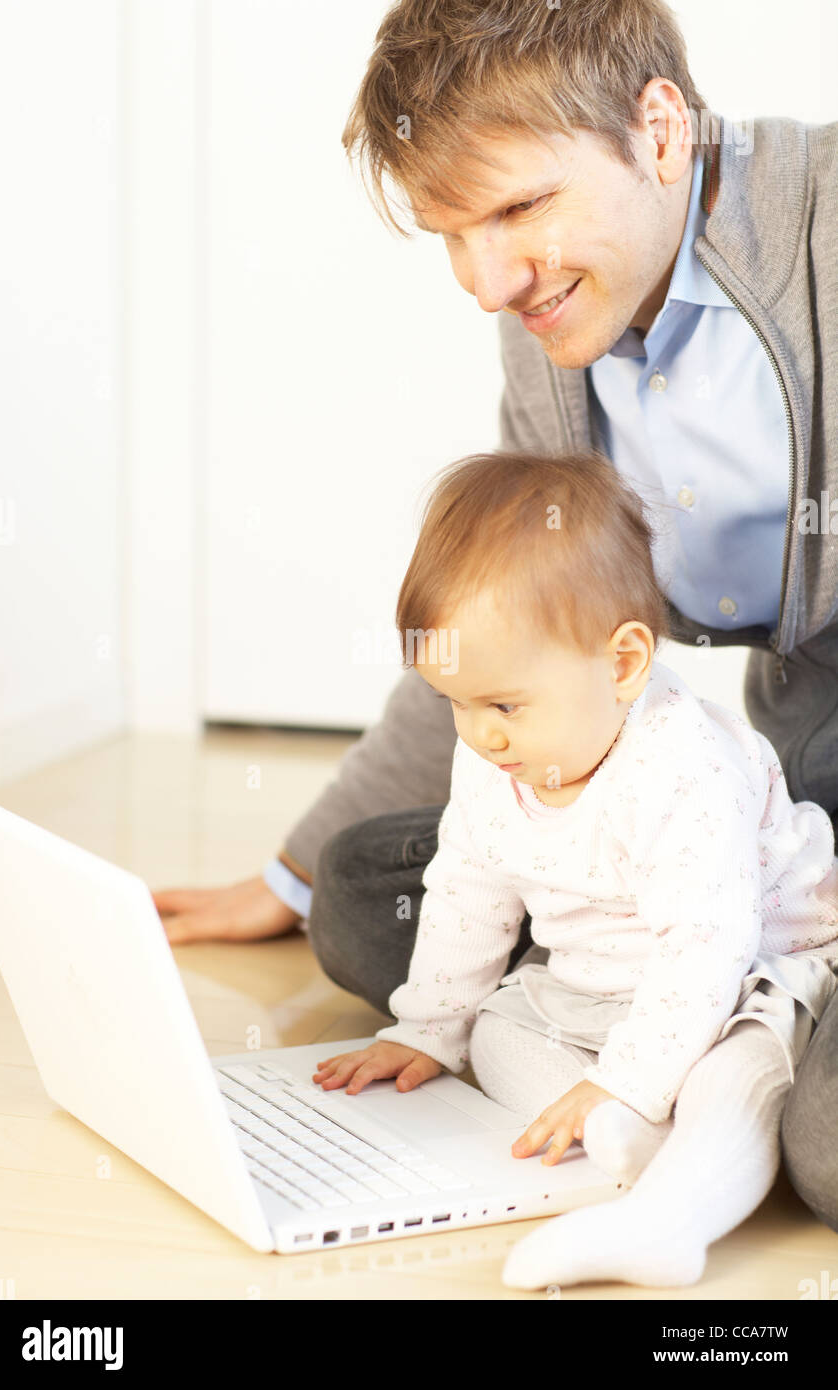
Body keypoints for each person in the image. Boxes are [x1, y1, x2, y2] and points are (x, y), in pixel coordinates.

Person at [152, 0, 838, 1232]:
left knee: (830, 1147)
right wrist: (291, 865)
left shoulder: (824, 226)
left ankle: (736, 1030)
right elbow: (512, 637)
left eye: (517, 209)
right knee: (364, 895)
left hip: (788, 824)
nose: (485, 281)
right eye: (450, 234)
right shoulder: (557, 321)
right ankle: (689, 1010)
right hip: (751, 795)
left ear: (659, 127)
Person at [311, 448, 838, 1290]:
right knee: (491, 1030)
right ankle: (631, 1141)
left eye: (505, 706)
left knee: (731, 1070)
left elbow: (706, 944)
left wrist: (632, 1075)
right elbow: (467, 890)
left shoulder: (682, 768)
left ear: (623, 664)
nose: (481, 735)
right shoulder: (491, 758)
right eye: (457, 703)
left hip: (747, 970)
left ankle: (674, 1216)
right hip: (598, 983)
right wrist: (427, 1030)